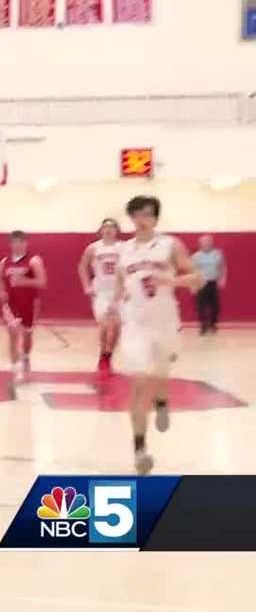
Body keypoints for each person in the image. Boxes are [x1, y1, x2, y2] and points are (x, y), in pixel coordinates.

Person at [115, 196, 203, 475]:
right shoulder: (123, 251)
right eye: (138, 214)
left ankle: (163, 402)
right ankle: (140, 449)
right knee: (139, 382)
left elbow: (197, 279)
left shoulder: (170, 246)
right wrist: (114, 307)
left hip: (165, 323)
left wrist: (172, 280)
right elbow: (120, 283)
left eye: (148, 214)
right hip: (135, 325)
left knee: (160, 376)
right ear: (131, 218)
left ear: (155, 218)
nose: (143, 219)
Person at [0, 230, 47, 383]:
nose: (18, 245)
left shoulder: (34, 261)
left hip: (29, 304)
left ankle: (25, 356)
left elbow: (42, 281)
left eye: (21, 242)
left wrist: (24, 281)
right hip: (11, 305)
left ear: (26, 243)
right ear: (10, 244)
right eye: (15, 242)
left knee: (27, 336)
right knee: (13, 334)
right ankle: (16, 369)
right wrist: (0, 292)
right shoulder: (4, 262)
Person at [77, 218, 123, 374]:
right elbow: (82, 266)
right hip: (101, 292)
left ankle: (109, 355)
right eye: (105, 227)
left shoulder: (123, 248)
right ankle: (103, 352)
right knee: (104, 325)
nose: (108, 230)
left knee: (116, 326)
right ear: (101, 230)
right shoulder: (93, 248)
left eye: (111, 227)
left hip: (118, 292)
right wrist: (86, 285)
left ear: (117, 230)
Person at [191, 235, 225, 335]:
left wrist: (222, 279)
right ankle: (203, 326)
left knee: (215, 306)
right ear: (200, 243)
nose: (206, 243)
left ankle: (213, 324)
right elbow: (192, 271)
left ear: (211, 243)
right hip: (201, 283)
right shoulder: (196, 256)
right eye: (204, 242)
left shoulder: (218, 254)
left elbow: (222, 267)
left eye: (208, 241)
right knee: (200, 307)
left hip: (213, 283)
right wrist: (193, 285)